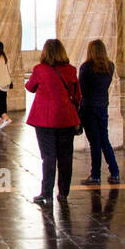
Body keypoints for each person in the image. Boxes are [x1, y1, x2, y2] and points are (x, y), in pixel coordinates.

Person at [25, 38, 82, 205]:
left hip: (45, 120)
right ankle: (64, 192)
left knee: (48, 157)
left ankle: (47, 193)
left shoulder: (40, 69)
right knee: (66, 156)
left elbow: (30, 87)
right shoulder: (71, 70)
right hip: (66, 118)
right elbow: (78, 95)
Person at [79, 39, 121, 184]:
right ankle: (114, 172)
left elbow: (82, 90)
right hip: (102, 106)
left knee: (94, 142)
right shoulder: (110, 66)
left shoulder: (86, 68)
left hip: (88, 108)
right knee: (104, 140)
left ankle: (95, 175)